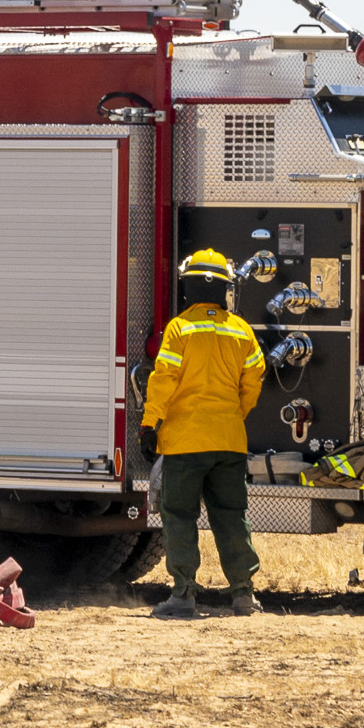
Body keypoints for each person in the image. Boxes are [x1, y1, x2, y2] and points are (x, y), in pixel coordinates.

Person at [137, 247, 265, 619]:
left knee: (178, 515)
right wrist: (233, 414)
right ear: (225, 288)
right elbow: (254, 382)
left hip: (185, 442)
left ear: (188, 287)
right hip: (229, 441)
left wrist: (150, 425)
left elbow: (163, 381)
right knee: (231, 514)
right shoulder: (241, 330)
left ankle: (183, 594)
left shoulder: (179, 329)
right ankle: (243, 594)